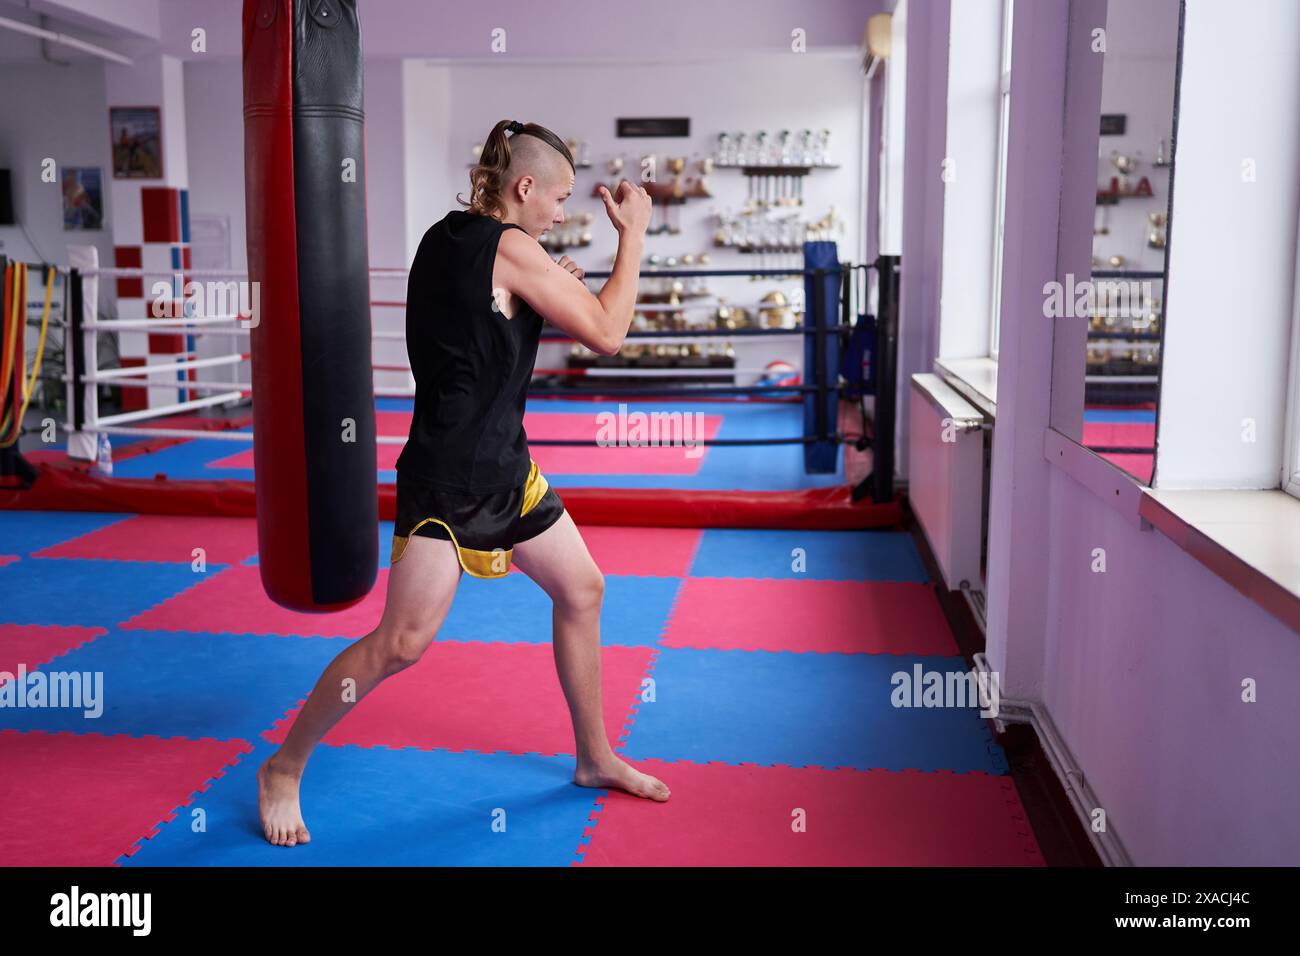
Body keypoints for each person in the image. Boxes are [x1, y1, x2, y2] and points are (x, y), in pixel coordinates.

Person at [258, 119, 664, 847]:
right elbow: (608, 332)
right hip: (448, 484)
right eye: (560, 198)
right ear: (525, 187)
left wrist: (544, 288)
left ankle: (594, 756)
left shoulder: (447, 236)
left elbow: (480, 324)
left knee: (584, 588)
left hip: (510, 470)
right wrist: (633, 234)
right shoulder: (513, 249)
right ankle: (283, 767)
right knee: (401, 644)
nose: (562, 213)